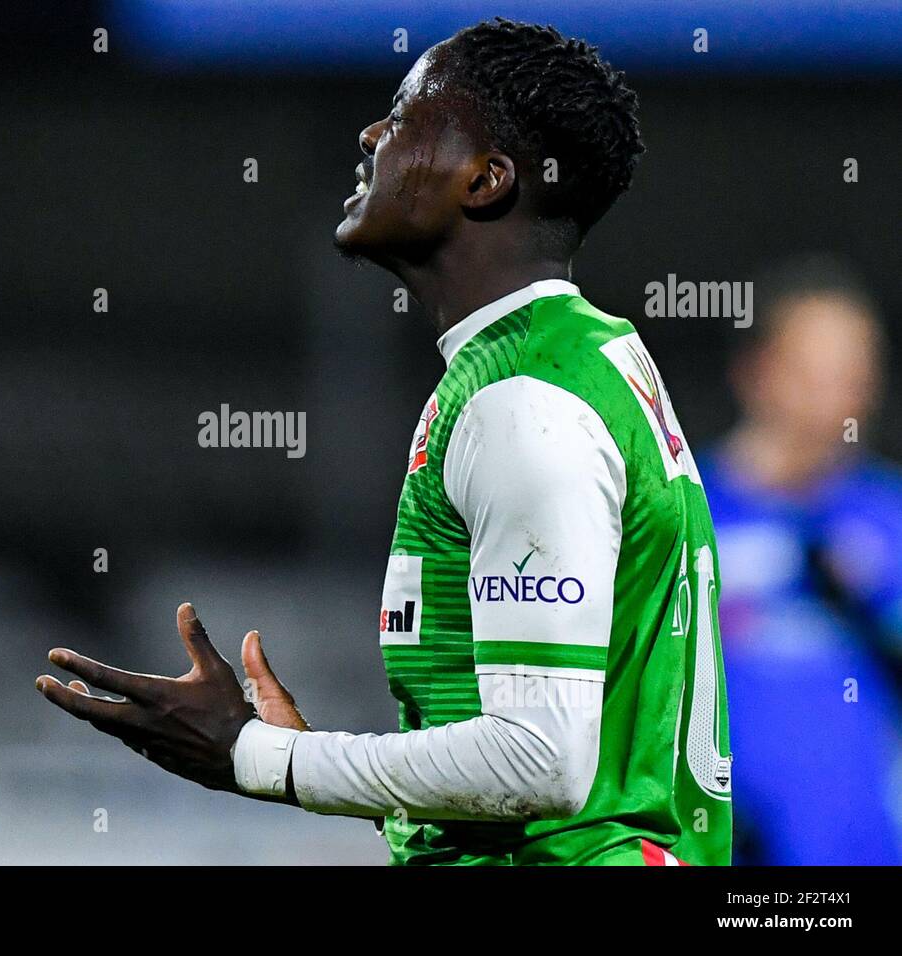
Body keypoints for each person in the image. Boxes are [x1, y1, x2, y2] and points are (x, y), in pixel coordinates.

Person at [38, 18, 733, 865]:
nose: (372, 135)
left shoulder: (525, 403)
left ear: (486, 180)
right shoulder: (570, 360)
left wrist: (258, 758)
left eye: (408, 114)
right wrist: (324, 763)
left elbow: (543, 759)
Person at [700, 255, 902, 864]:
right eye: (814, 373)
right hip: (730, 855)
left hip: (869, 850)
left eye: (856, 375)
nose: (839, 400)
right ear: (755, 371)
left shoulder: (889, 515)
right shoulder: (686, 513)